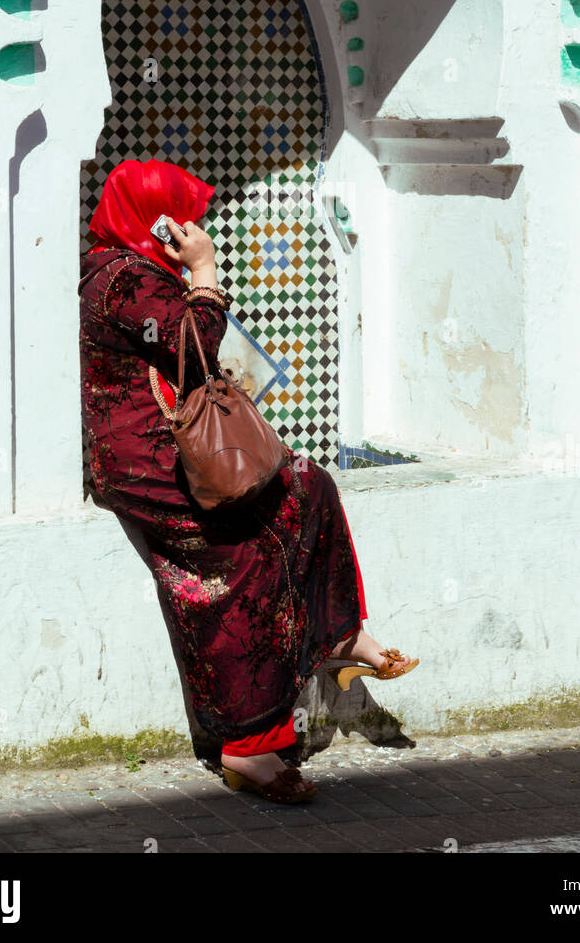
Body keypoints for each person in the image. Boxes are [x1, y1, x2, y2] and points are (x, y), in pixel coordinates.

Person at [79, 158, 418, 804]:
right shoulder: (121, 277)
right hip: (145, 463)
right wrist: (204, 273)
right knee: (243, 560)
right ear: (153, 219)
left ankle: (339, 633)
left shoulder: (128, 268)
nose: (194, 228)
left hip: (162, 451)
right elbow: (196, 348)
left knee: (309, 485)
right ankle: (250, 748)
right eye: (183, 216)